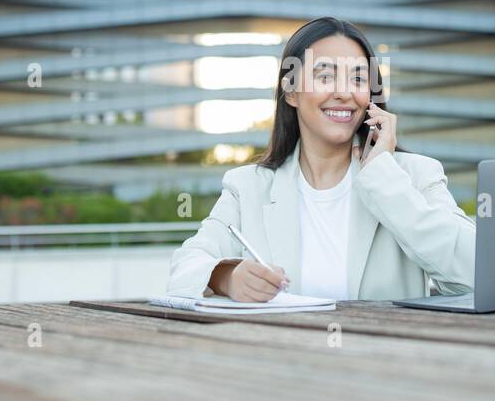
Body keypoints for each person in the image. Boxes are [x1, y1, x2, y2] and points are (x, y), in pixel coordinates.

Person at [166, 16, 476, 301]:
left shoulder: (415, 175)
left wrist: (384, 177)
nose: (343, 93)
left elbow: (474, 272)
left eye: (358, 79)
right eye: (325, 76)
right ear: (291, 93)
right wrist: (227, 277)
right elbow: (185, 268)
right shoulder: (247, 187)